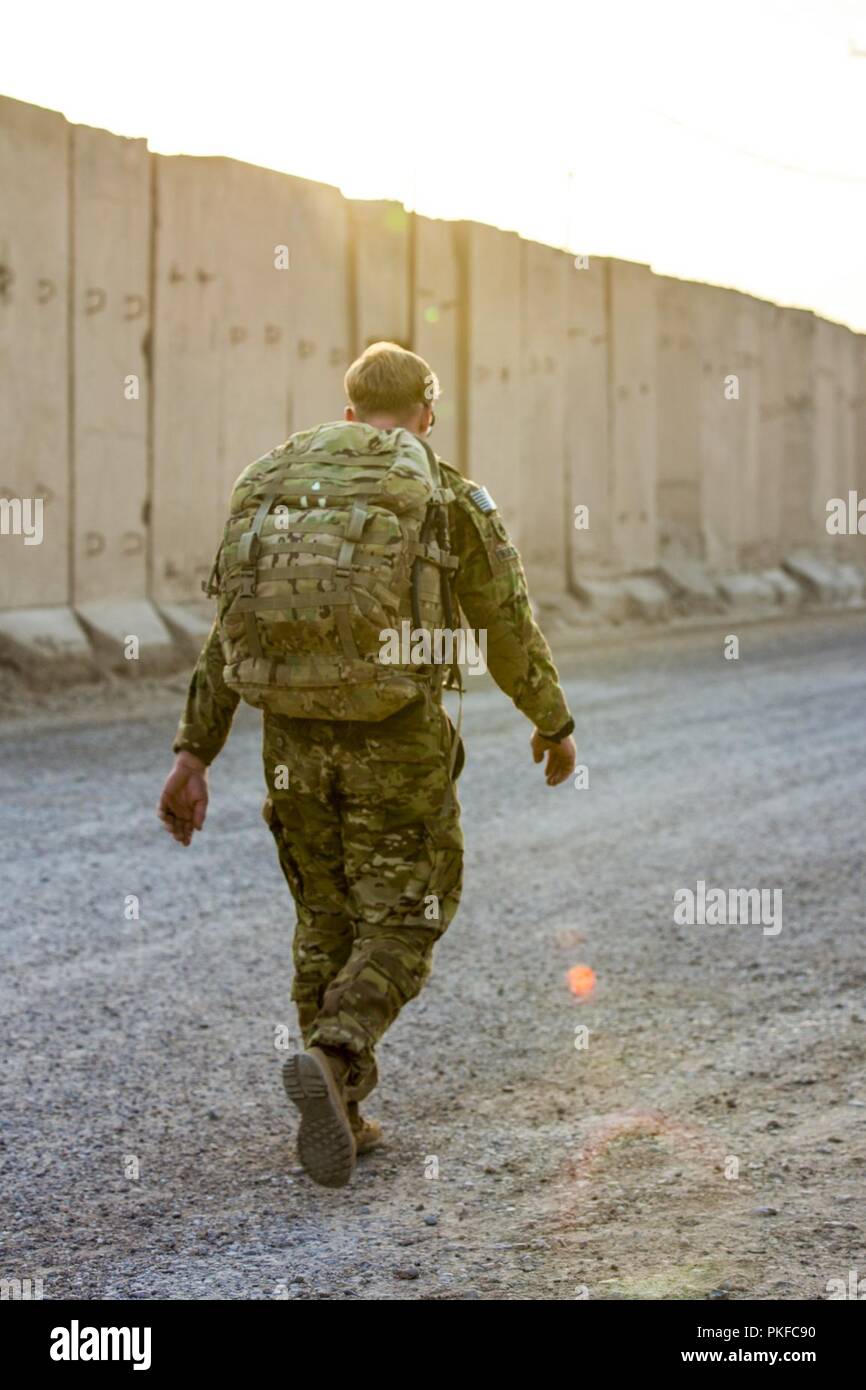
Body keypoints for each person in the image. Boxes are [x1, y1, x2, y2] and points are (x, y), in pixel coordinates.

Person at [158, 341, 576, 1188]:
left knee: (324, 913)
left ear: (350, 413)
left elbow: (230, 629)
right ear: (429, 412)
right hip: (398, 736)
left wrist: (193, 754)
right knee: (412, 911)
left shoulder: (284, 486)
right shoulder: (445, 493)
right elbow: (505, 622)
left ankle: (342, 1108)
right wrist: (552, 722)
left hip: (292, 739)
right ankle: (338, 1052)